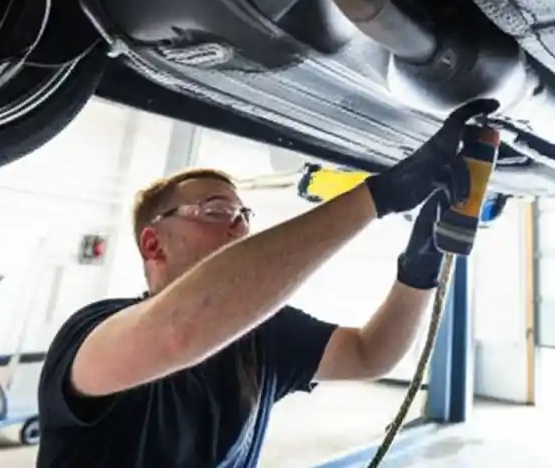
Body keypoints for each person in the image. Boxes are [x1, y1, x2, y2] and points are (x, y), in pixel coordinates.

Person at [36, 100, 496, 467]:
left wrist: (418, 269)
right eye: (216, 211)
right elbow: (177, 332)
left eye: (243, 215)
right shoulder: (89, 331)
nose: (238, 225)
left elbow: (369, 353)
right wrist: (378, 196)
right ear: (153, 245)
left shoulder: (263, 336)